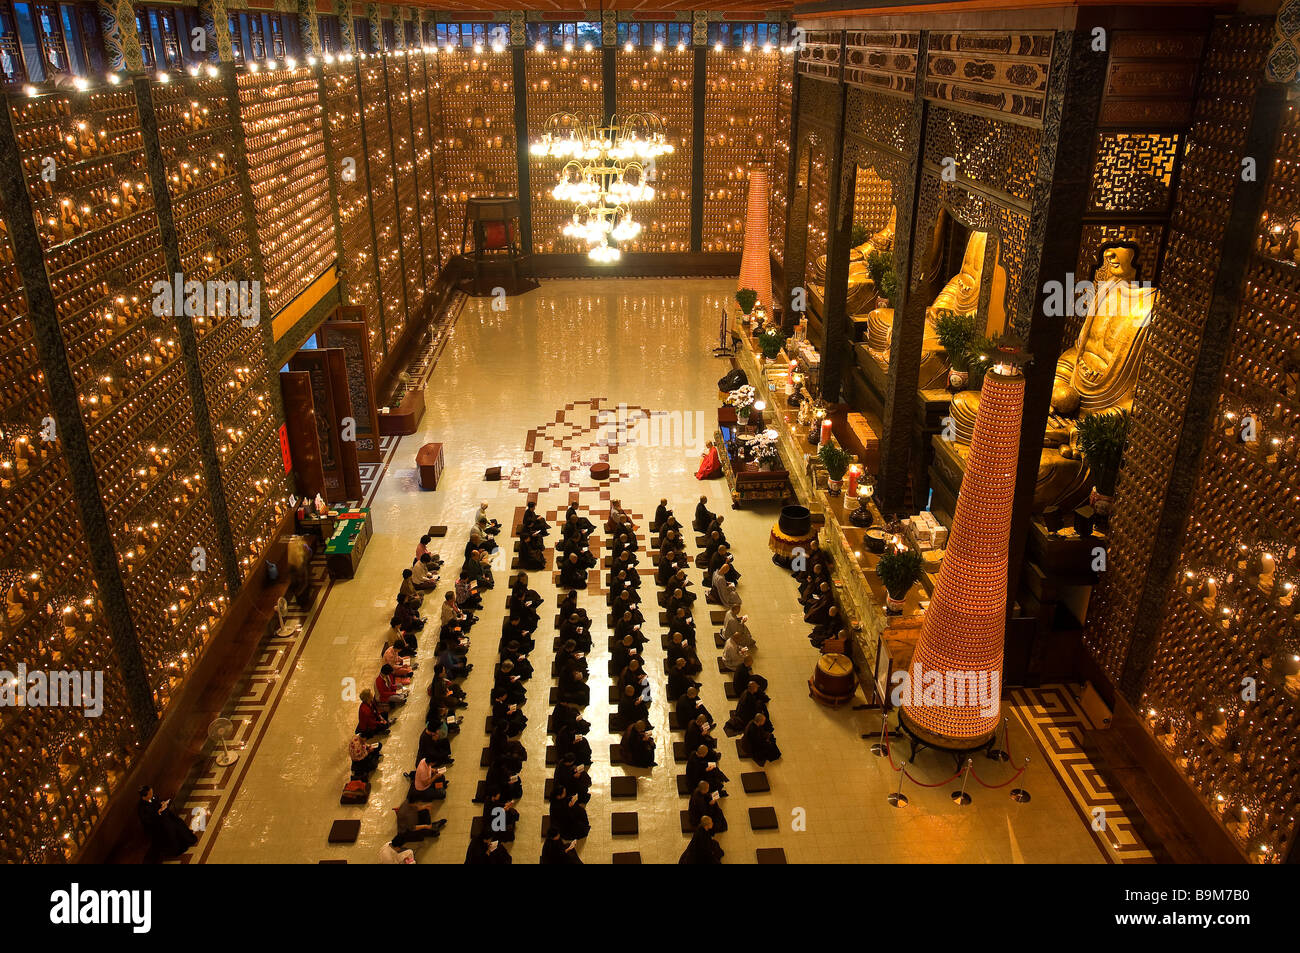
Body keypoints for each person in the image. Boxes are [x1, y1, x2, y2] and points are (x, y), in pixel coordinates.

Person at [137, 786, 198, 859]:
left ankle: (188, 839)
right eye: (150, 793)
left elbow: (158, 801)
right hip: (155, 825)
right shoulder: (142, 808)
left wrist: (163, 804)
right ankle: (177, 848)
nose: (152, 794)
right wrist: (158, 813)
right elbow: (148, 821)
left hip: (162, 817)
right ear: (145, 796)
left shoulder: (152, 797)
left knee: (178, 821)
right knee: (170, 828)